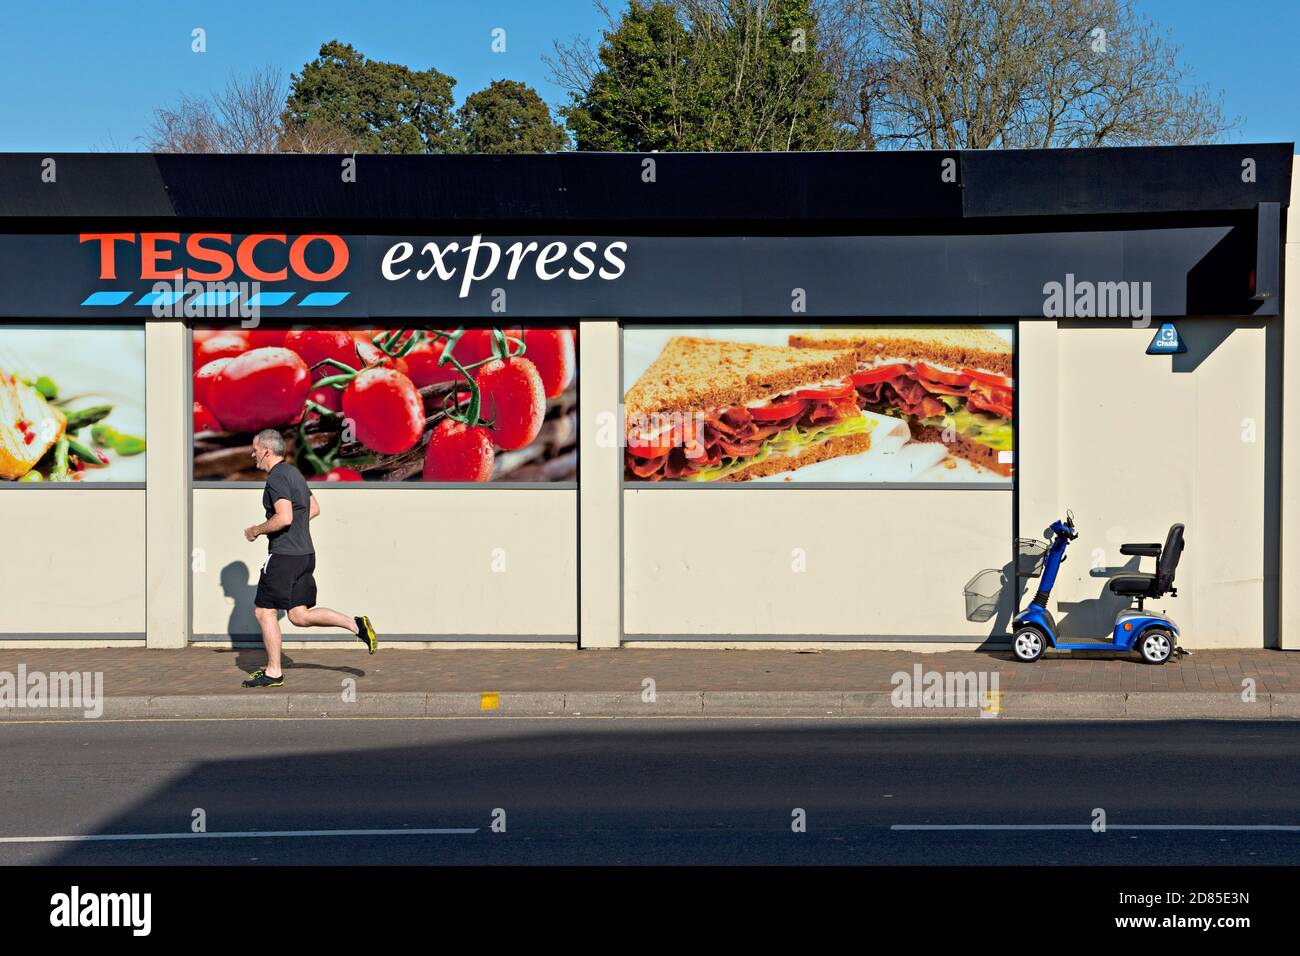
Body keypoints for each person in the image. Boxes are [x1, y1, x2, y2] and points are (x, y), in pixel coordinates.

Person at [241, 429, 377, 688]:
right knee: (299, 615)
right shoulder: (293, 473)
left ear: (267, 451)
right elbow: (313, 508)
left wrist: (256, 531)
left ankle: (273, 672)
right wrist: (295, 529)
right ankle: (356, 625)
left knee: (264, 611)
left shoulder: (276, 478)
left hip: (284, 556)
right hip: (305, 554)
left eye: (255, 449)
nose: (252, 454)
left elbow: (285, 517)